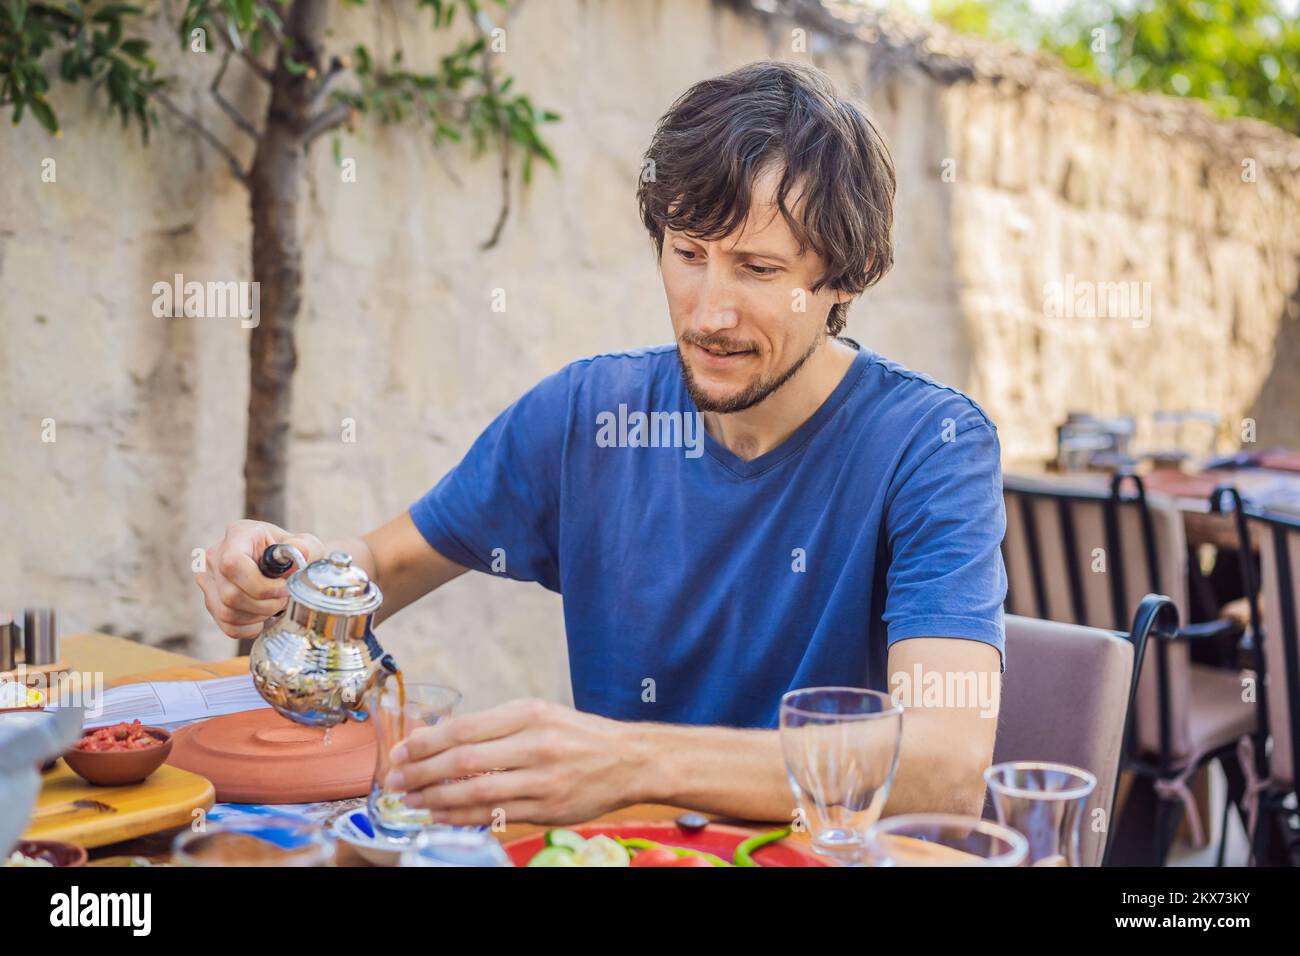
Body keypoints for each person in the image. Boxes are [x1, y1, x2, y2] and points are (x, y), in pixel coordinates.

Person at [196, 60, 1006, 827]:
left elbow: (946, 767)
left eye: (758, 270)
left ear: (847, 275)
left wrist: (632, 762)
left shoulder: (931, 445)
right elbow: (379, 568)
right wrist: (292, 575)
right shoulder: (587, 414)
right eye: (689, 255)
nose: (708, 313)